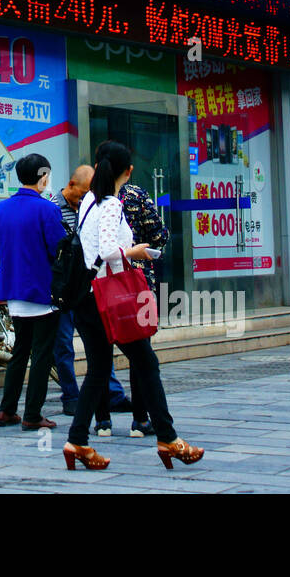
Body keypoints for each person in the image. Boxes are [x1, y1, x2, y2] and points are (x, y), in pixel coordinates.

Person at [63, 141, 204, 471]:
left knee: (99, 368)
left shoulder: (87, 203)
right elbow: (111, 250)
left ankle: (78, 441)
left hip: (87, 297)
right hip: (111, 299)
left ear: (97, 167)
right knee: (146, 363)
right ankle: (168, 439)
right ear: (128, 172)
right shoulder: (111, 204)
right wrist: (136, 253)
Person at [51, 165, 134, 424]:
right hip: (69, 285)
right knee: (64, 343)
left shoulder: (90, 204)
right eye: (83, 192)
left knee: (100, 344)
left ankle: (112, 395)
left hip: (90, 285)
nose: (86, 196)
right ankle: (72, 397)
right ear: (71, 185)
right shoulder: (52, 209)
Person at [0, 153, 65, 431]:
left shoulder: (1, 209)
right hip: (42, 291)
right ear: (43, 175)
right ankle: (33, 414)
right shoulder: (48, 210)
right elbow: (59, 251)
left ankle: (7, 410)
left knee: (20, 351)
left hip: (14, 291)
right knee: (42, 354)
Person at [116, 177, 170, 438]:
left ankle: (101, 422)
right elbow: (160, 235)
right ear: (126, 170)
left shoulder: (89, 197)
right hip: (137, 282)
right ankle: (141, 419)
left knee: (100, 353)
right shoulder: (136, 195)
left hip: (102, 286)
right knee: (142, 350)